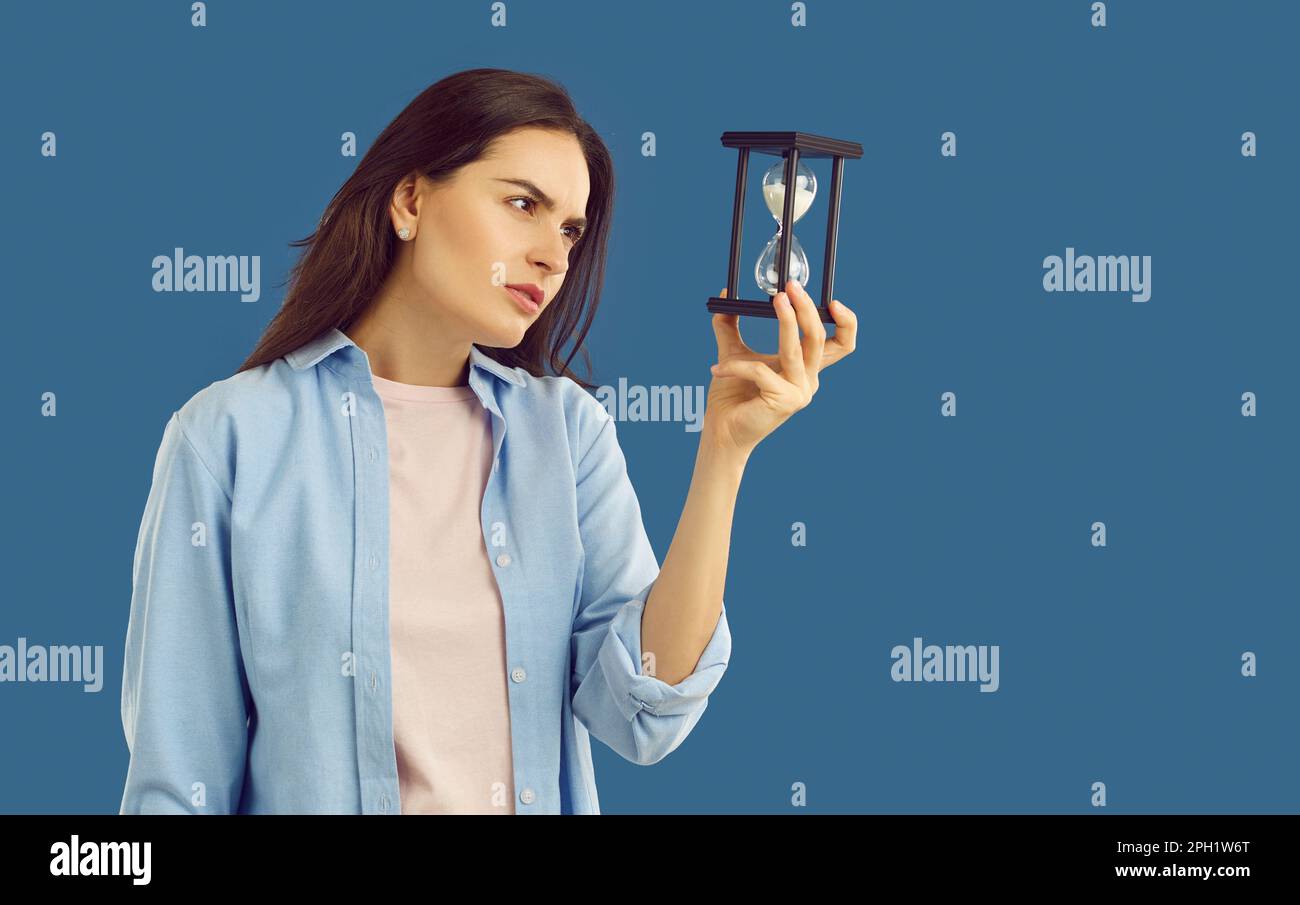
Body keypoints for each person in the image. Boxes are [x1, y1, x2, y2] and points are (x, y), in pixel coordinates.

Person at [118, 67, 856, 815]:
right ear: (411, 200)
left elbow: (644, 710)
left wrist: (725, 451)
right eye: (522, 204)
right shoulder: (230, 438)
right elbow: (178, 786)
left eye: (570, 228)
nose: (554, 255)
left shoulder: (566, 432)